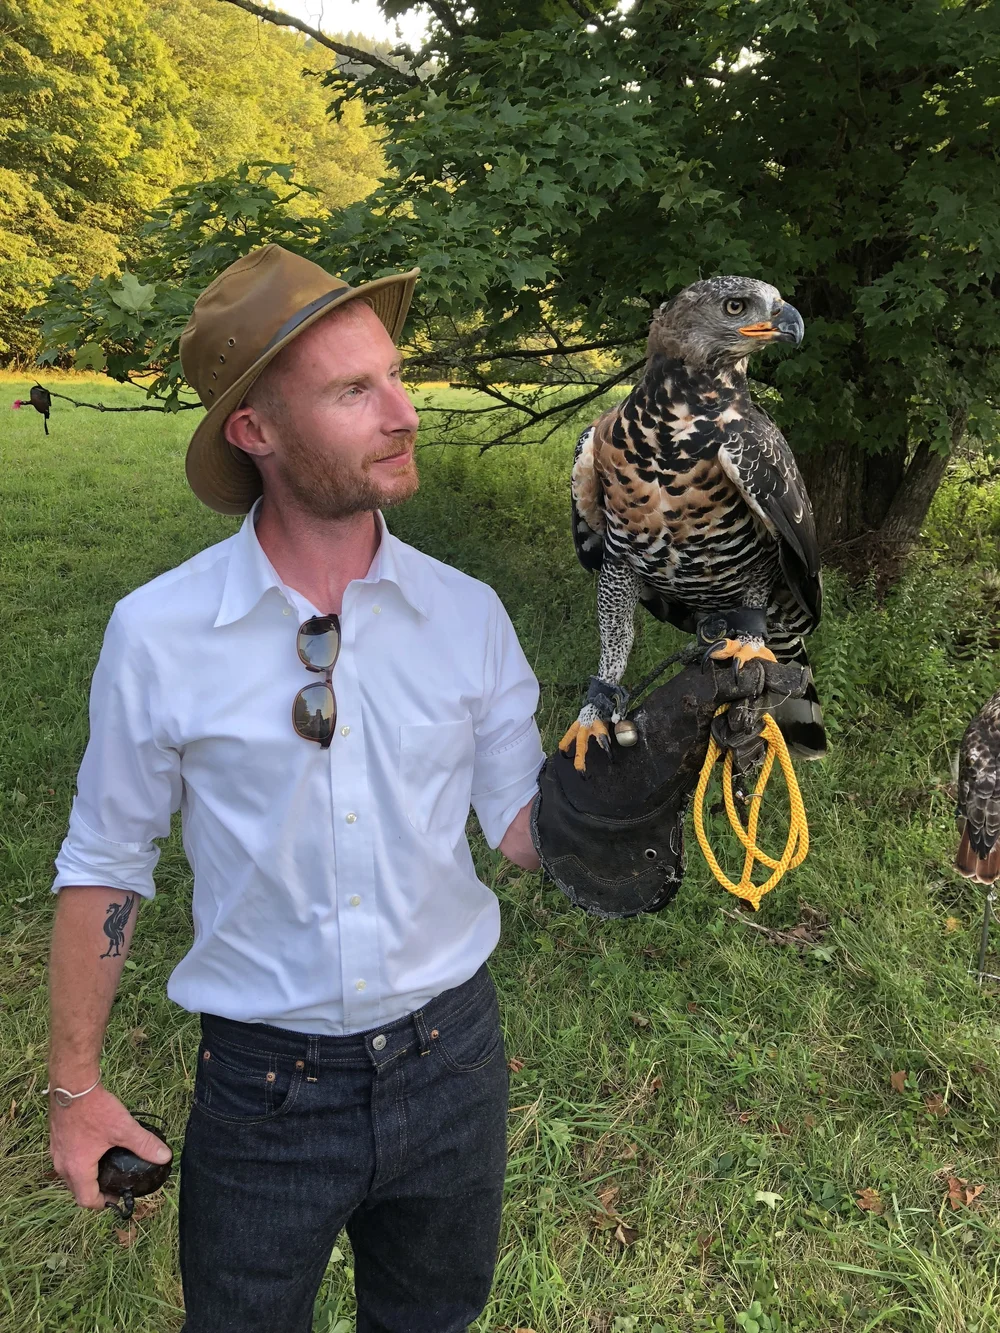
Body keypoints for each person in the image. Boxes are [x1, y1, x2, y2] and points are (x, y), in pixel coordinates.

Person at [47, 245, 545, 1333]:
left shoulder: (467, 614)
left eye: (396, 376)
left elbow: (520, 827)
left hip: (452, 1060)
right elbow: (105, 859)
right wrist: (77, 1091)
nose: (405, 412)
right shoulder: (161, 633)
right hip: (264, 1091)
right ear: (254, 431)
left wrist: (659, 762)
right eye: (353, 390)